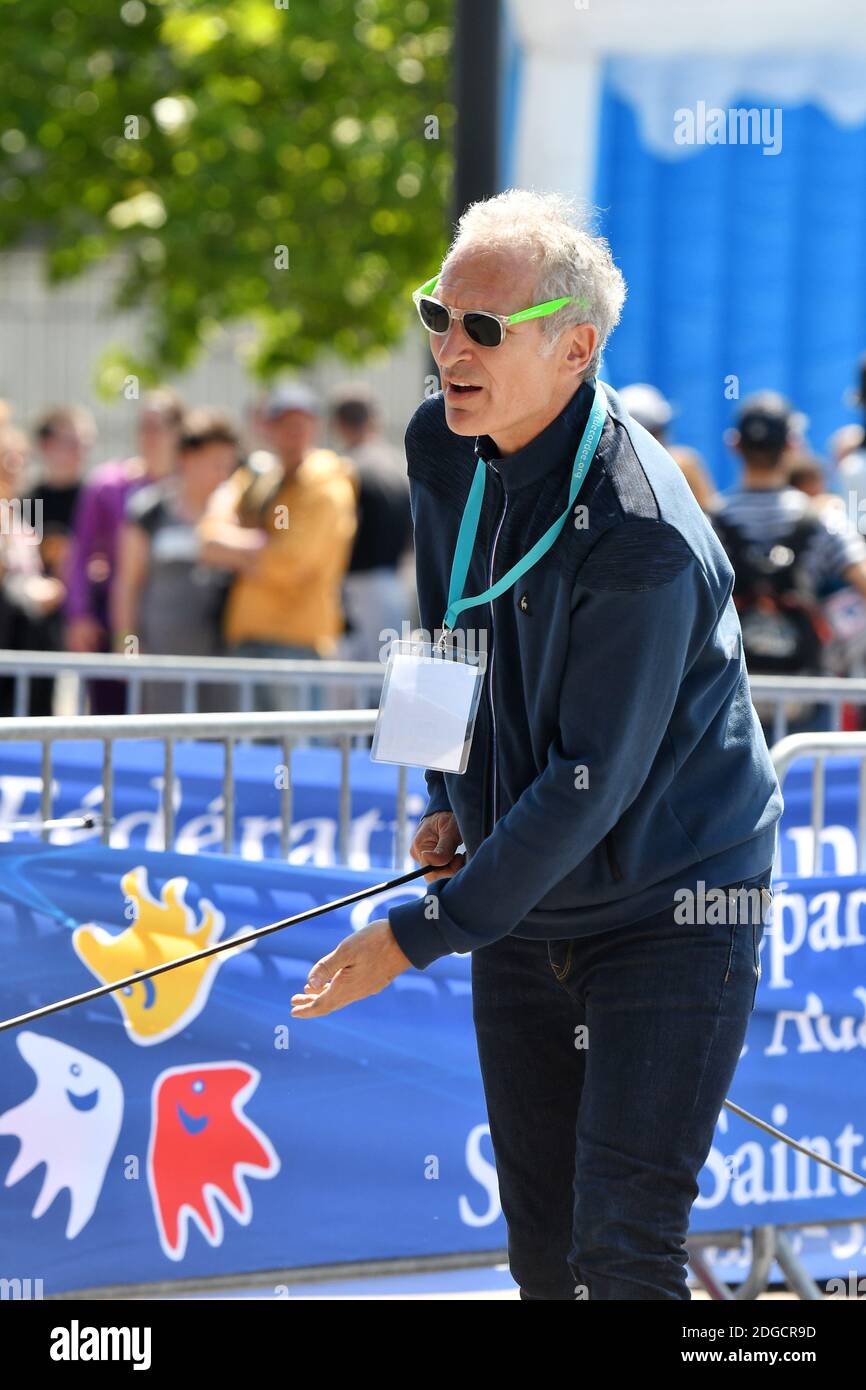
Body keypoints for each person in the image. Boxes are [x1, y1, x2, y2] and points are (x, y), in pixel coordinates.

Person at [288, 188, 782, 1301]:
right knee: (542, 1256)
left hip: (671, 906)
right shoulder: (440, 442)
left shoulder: (640, 532)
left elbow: (583, 783)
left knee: (621, 1248)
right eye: (436, 312)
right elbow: (436, 637)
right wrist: (447, 798)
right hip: (527, 885)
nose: (445, 347)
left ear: (575, 348)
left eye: (481, 327)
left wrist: (417, 934)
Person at [197, 383, 357, 712]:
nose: (293, 432)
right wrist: (257, 549)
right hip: (249, 635)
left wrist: (239, 550)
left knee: (296, 754)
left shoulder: (327, 487)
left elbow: (292, 563)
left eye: (301, 422)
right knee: (249, 754)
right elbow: (209, 536)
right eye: (284, 422)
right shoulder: (263, 477)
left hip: (297, 644)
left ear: (317, 427)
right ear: (268, 428)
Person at [711, 393, 866, 733]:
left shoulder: (708, 522)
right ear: (793, 444)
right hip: (806, 696)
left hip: (729, 699)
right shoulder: (823, 520)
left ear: (734, 446)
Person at [63, 389, 184, 713]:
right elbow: (81, 553)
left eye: (158, 427)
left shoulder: (192, 489)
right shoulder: (108, 484)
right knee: (113, 724)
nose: (149, 436)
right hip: (114, 625)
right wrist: (79, 615)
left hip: (176, 627)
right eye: (143, 426)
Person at [111, 410, 240, 713]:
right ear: (187, 457)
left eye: (228, 465)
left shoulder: (239, 510)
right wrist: (126, 642)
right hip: (163, 658)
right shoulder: (150, 510)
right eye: (215, 463)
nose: (223, 474)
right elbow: (128, 583)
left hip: (225, 659)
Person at [328, 383, 413, 704]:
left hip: (354, 588)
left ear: (338, 424)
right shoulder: (398, 463)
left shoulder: (345, 468)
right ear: (373, 419)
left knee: (349, 686)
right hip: (395, 581)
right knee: (386, 681)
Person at [27, 405, 95, 713]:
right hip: (37, 630)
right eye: (70, 441)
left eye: (83, 442)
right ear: (46, 445)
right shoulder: (29, 502)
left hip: (88, 625)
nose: (78, 450)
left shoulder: (95, 499)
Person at [0, 423, 66, 715]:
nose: (14, 464)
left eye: (20, 456)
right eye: (5, 455)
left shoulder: (19, 515)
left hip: (28, 641)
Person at [617, 382, 718, 511]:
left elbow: (712, 515)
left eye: (660, 430)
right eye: (655, 432)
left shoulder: (684, 464)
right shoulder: (682, 465)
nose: (662, 438)